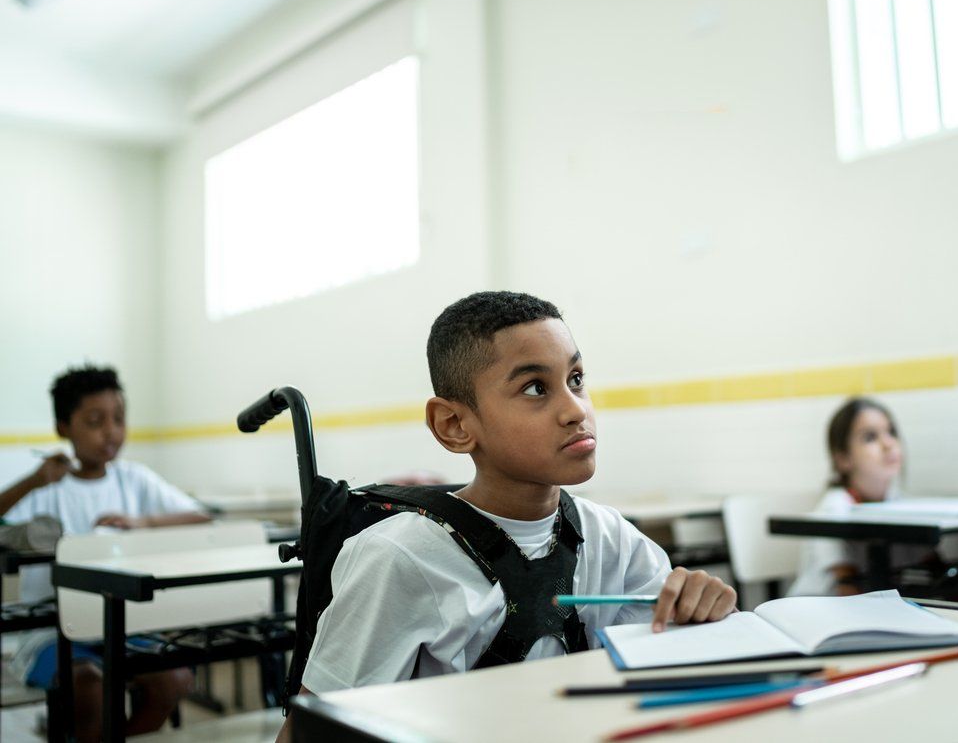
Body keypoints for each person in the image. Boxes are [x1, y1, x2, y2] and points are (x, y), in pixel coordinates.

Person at [278, 292, 735, 738]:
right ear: (454, 426)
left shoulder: (609, 535)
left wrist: (696, 611)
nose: (576, 410)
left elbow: (662, 661)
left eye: (576, 378)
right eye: (535, 388)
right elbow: (311, 734)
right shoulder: (400, 558)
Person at [0, 365, 210, 740]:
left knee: (175, 678)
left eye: (119, 419)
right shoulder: (47, 486)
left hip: (119, 622)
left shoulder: (134, 479)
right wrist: (33, 480)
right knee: (89, 688)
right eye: (95, 421)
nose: (111, 431)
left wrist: (143, 523)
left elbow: (200, 515)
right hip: (51, 629)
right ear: (63, 427)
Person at [787, 396, 936, 596]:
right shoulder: (833, 509)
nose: (888, 443)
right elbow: (847, 588)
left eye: (891, 432)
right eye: (870, 437)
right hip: (819, 614)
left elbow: (930, 569)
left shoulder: (899, 503)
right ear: (843, 459)